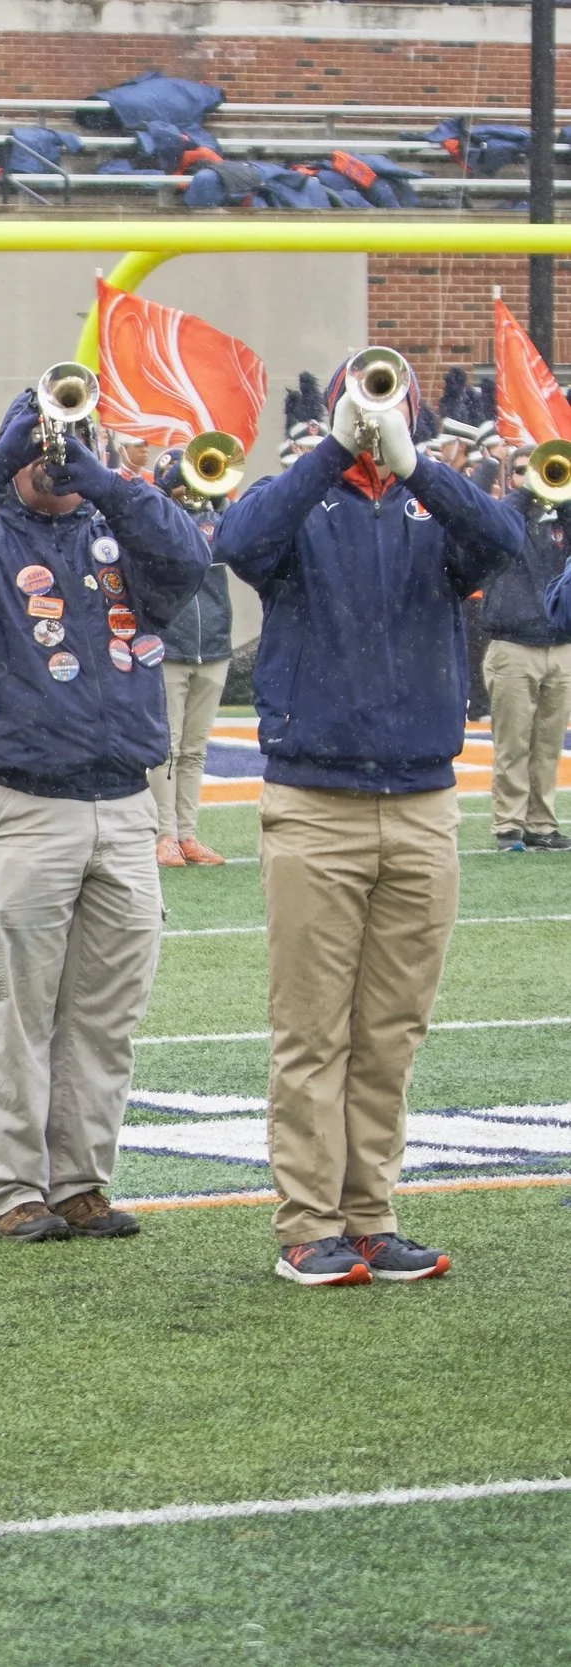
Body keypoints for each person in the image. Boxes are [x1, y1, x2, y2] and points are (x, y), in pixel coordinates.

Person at [216, 360, 524, 1285]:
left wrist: (420, 464)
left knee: (392, 1025)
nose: (377, 409)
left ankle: (372, 1211)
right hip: (316, 801)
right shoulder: (301, 499)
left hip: (425, 797)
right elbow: (240, 537)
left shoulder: (434, 504)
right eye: (366, 395)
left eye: (388, 397)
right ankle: (308, 1221)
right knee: (313, 1027)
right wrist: (332, 450)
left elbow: (502, 538)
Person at [0, 389, 210, 1243]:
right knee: (17, 1008)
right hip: (27, 800)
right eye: (45, 440)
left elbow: (189, 562)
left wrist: (107, 477)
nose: (57, 456)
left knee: (107, 1013)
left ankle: (81, 1181)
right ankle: (11, 1189)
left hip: (124, 802)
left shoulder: (121, 528)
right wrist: (3, 459)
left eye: (73, 439)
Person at [148, 450, 236, 867]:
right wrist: (165, 494)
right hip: (170, 647)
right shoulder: (159, 518)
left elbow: (241, 538)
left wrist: (219, 498)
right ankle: (164, 835)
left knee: (195, 750)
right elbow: (146, 522)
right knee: (168, 748)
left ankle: (187, 834)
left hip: (214, 646)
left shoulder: (217, 519)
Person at [482, 470, 571, 852]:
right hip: (513, 647)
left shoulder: (561, 525)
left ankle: (541, 825)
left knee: (547, 745)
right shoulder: (507, 521)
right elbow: (492, 521)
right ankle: (508, 827)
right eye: (520, 469)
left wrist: (562, 499)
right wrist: (527, 491)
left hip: (559, 646)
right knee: (512, 744)